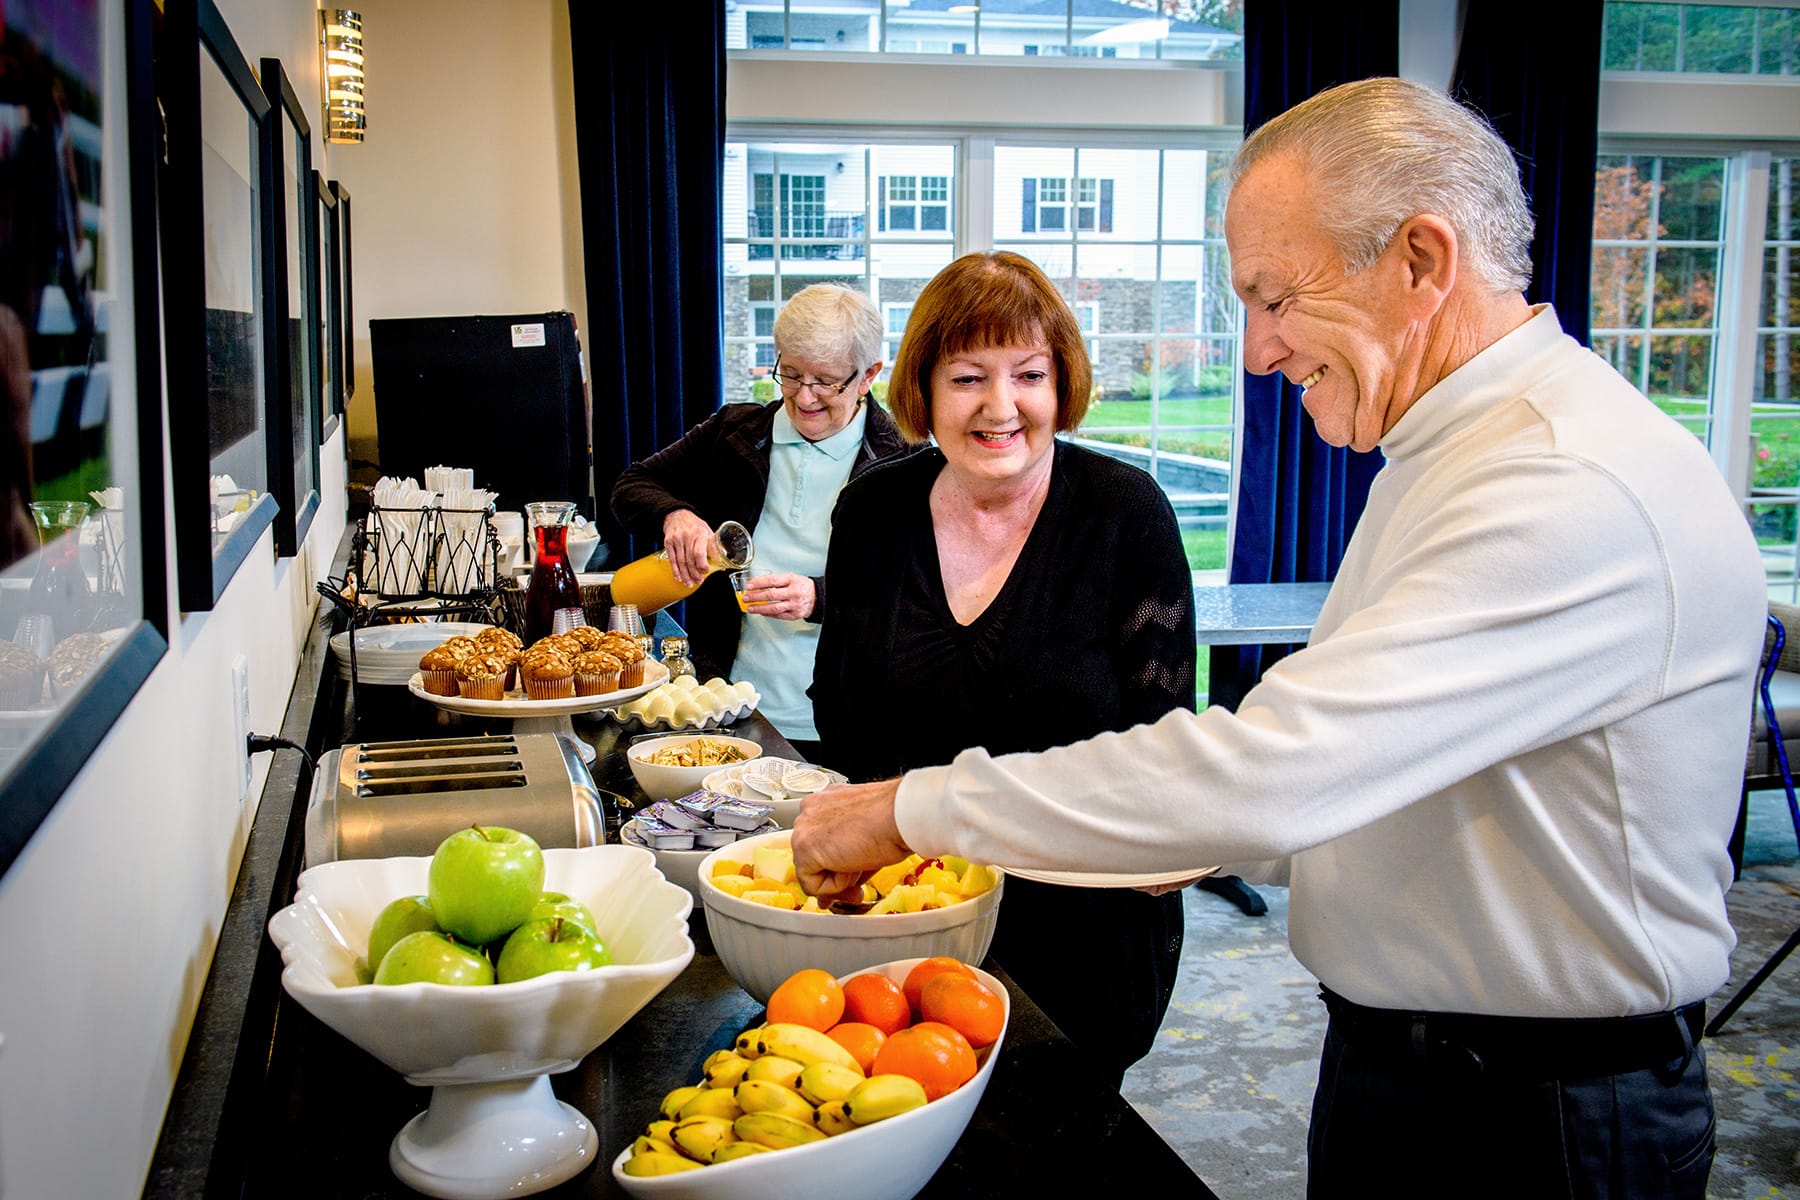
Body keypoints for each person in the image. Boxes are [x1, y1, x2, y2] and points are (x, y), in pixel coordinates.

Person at [793, 78, 1766, 1199]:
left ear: (1419, 259)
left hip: (1533, 1113)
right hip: (1411, 1065)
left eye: (1274, 296)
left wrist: (906, 808)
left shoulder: (1559, 481)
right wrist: (1192, 834)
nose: (1256, 353)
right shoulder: (1453, 456)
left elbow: (1276, 771)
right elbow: (1374, 777)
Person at [807, 250, 1196, 1087]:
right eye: (968, 377)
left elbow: (1164, 745)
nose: (1000, 407)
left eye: (1028, 374)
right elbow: (839, 709)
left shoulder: (1125, 516)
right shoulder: (874, 512)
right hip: (906, 922)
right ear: (924, 390)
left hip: (1084, 932)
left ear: (1062, 385)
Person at [610, 284, 912, 751]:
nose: (805, 397)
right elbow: (631, 486)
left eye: (825, 381)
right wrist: (675, 514)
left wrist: (820, 597)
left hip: (844, 720)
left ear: (868, 375)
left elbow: (916, 594)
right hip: (726, 705)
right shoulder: (734, 432)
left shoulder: (905, 461)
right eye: (790, 375)